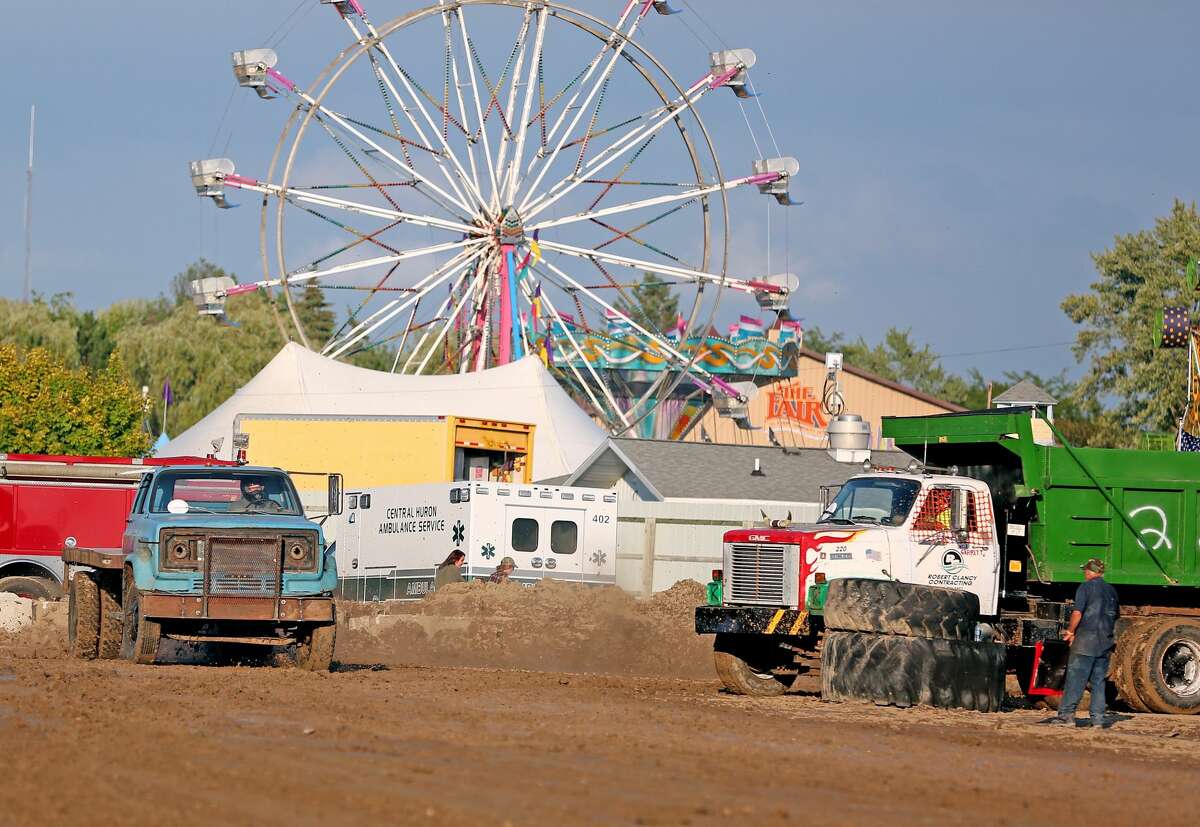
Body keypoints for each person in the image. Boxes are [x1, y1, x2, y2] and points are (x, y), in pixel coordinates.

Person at [1043, 557, 1119, 728]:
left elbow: (1077, 613)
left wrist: (1070, 632)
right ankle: (1098, 720)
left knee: (1075, 680)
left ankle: (1066, 717)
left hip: (1085, 641)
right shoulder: (1112, 591)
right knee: (1098, 682)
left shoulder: (1085, 587)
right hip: (1104, 643)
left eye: (1085, 570)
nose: (1084, 572)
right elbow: (1115, 616)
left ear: (1089, 571)